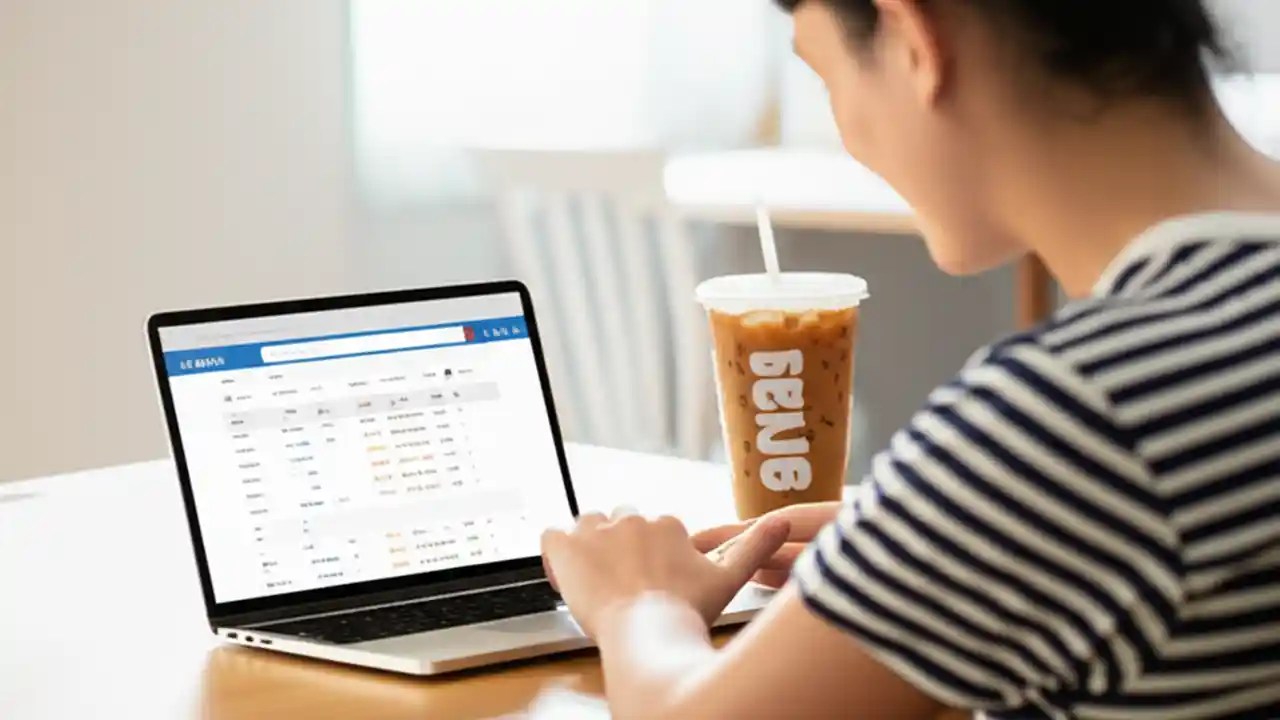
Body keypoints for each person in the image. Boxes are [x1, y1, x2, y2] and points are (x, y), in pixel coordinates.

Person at [539, 1, 1280, 717]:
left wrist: (639, 603)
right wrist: (937, 528)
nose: (847, 129)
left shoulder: (1080, 412)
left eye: (825, 74)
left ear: (913, 39)